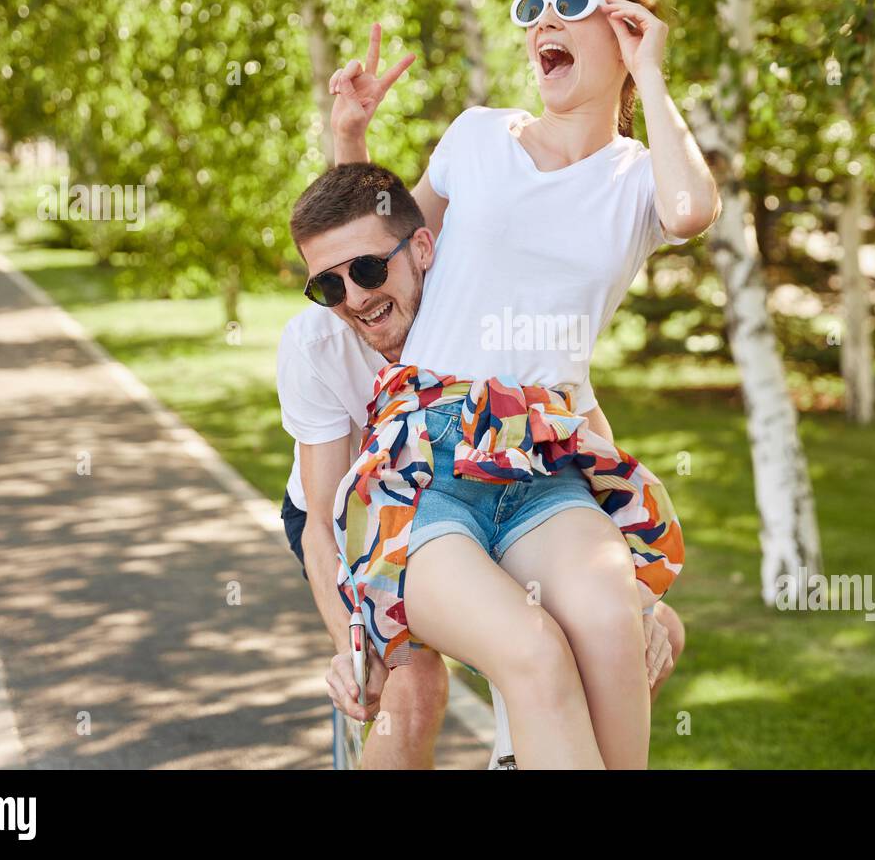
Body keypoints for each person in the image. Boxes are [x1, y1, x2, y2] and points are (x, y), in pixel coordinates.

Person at [314, 0, 719, 769]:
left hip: (543, 467)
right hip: (425, 469)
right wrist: (349, 138)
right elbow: (376, 261)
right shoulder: (478, 137)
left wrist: (656, 74)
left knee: (613, 622)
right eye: (531, 9)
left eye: (570, 2)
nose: (543, 22)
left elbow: (691, 209)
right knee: (534, 652)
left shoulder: (635, 179)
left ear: (625, 29)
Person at [277, 164, 685, 769]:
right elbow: (322, 524)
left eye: (366, 270)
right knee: (410, 691)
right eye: (328, 288)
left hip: (493, 484)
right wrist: (354, 650)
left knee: (646, 636)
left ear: (422, 252)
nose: (355, 298)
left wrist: (636, 590)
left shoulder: (479, 303)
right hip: (355, 514)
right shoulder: (316, 346)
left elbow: (576, 419)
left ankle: (521, 754)